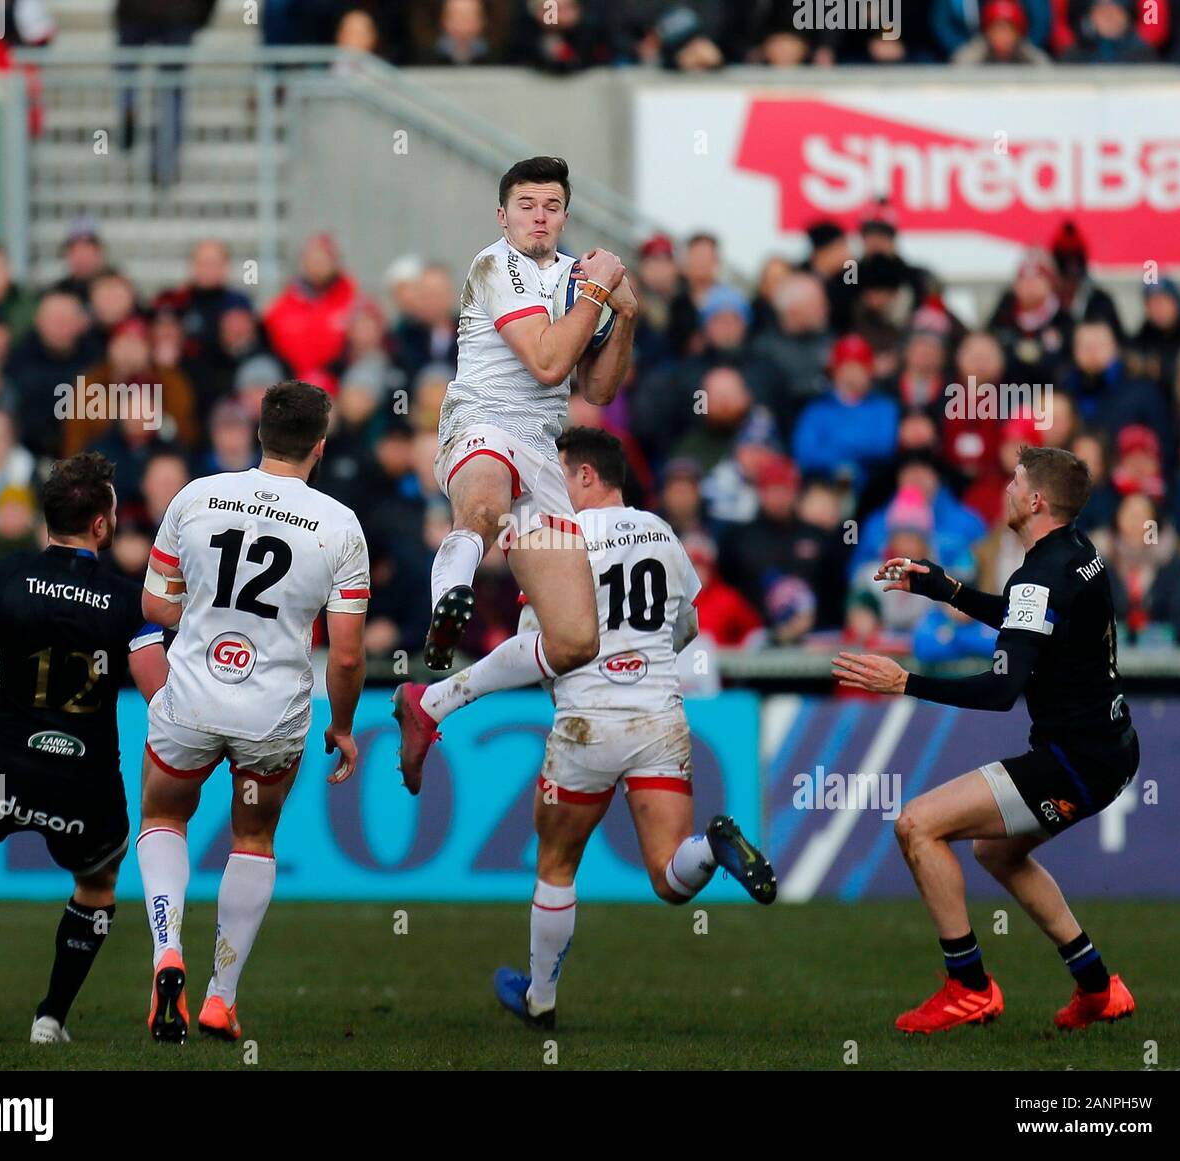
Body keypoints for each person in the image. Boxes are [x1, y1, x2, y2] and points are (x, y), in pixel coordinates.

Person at [401, 428, 775, 1028]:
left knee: (555, 864)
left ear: (584, 477)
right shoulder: (664, 534)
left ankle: (541, 999)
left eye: (558, 477)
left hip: (587, 721)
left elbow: (537, 647)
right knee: (669, 875)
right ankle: (715, 846)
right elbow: (687, 629)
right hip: (660, 716)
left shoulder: (560, 540)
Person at [833, 446, 1139, 1034]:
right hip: (1107, 749)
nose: (1006, 488)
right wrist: (948, 590)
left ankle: (969, 988)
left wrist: (906, 682)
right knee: (996, 851)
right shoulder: (1078, 555)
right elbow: (1027, 617)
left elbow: (1002, 690)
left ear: (1034, 501)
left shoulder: (1039, 574)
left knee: (917, 825)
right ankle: (1099, 988)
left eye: (1016, 480)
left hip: (1075, 761)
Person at [0, 454, 168, 1043]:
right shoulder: (130, 601)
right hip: (86, 786)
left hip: (3, 773)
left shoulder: (2, 578)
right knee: (97, 885)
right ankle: (49, 1020)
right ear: (102, 524)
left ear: (48, 518)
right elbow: (163, 703)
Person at [394, 157, 638, 790]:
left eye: (551, 205)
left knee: (574, 639)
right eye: (526, 204)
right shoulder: (496, 263)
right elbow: (548, 364)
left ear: (564, 215)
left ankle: (433, 701)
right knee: (482, 507)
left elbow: (599, 389)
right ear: (503, 216)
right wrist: (596, 295)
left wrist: (626, 316)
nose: (539, 215)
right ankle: (446, 596)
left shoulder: (576, 278)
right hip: (480, 421)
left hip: (542, 449)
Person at [139, 380, 369, 1044]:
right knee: (253, 837)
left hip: (190, 698)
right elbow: (348, 656)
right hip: (271, 715)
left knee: (163, 815)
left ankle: (165, 950)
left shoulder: (196, 496)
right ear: (320, 446)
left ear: (259, 436)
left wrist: (209, 616)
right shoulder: (339, 525)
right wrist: (345, 726)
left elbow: (156, 608)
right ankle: (220, 997)